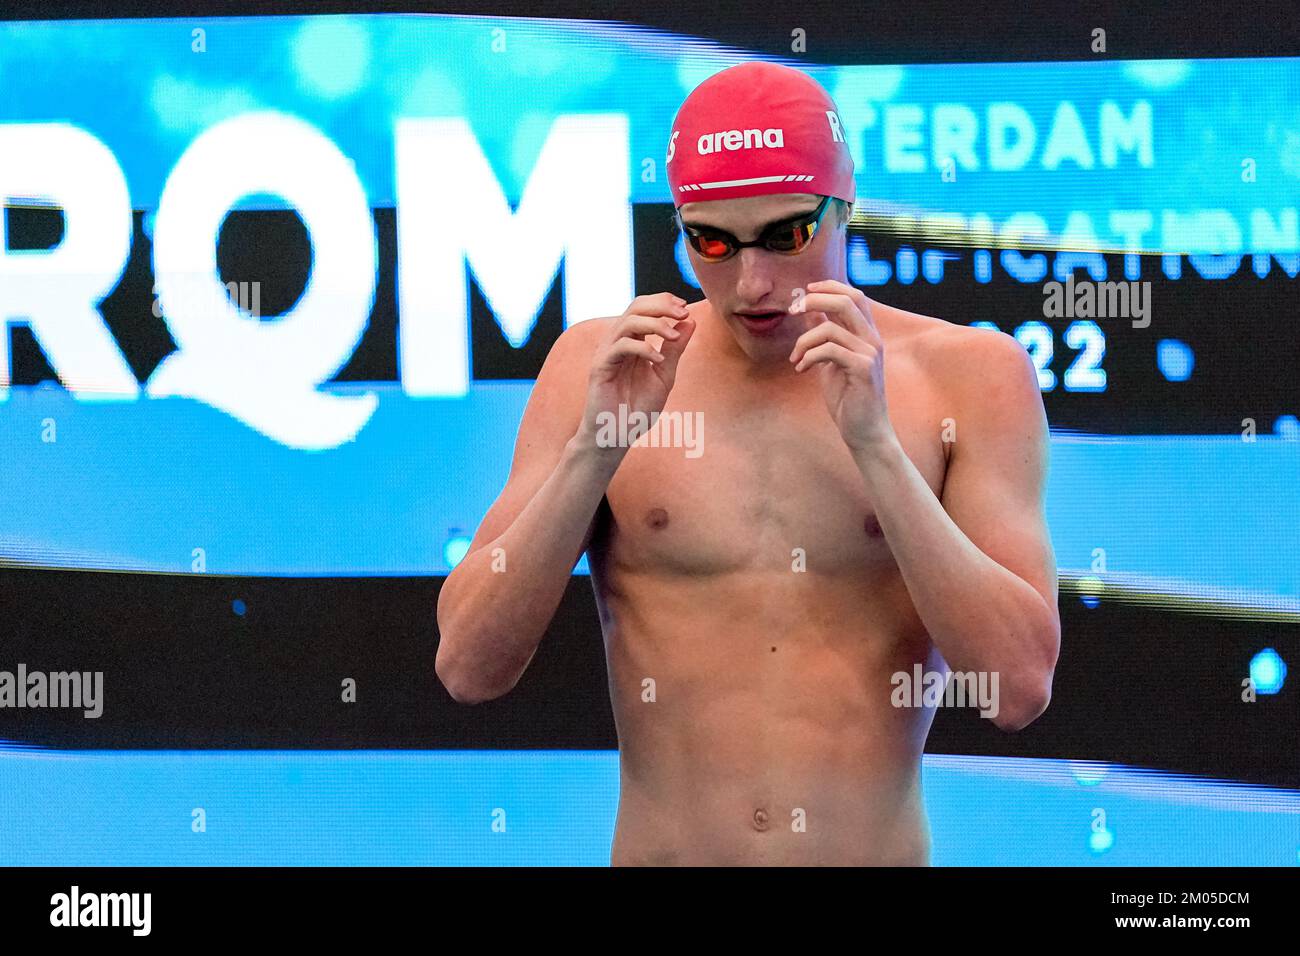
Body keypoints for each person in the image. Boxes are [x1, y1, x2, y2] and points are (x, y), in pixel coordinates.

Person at [436, 61, 1060, 865]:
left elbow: (1017, 689)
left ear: (846, 211)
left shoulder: (968, 376)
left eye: (786, 235)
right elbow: (467, 666)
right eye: (714, 243)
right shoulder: (599, 368)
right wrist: (591, 457)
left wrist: (877, 448)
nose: (752, 283)